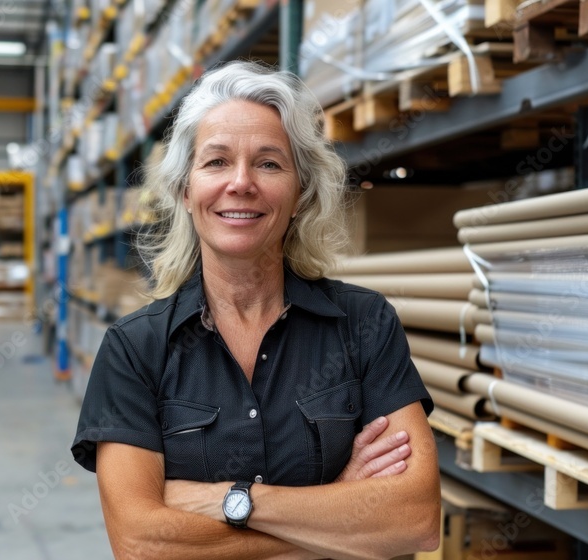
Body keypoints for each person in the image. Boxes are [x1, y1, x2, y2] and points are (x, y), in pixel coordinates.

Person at [70, 60, 441, 559]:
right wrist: (336, 522)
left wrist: (225, 502)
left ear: (301, 192)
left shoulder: (364, 325)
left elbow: (414, 520)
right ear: (185, 190)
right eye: (216, 162)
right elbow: (141, 544)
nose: (240, 183)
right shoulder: (135, 350)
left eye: (268, 163)